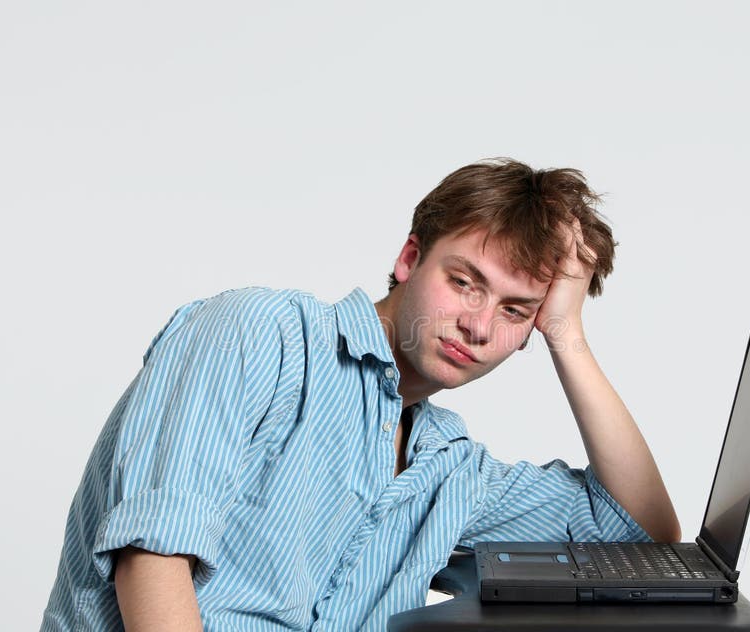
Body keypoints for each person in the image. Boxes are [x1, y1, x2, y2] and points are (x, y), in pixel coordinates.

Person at [40, 158, 680, 631]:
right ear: (409, 258)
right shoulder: (260, 335)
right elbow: (151, 557)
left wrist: (566, 333)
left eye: (517, 312)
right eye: (465, 282)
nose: (480, 326)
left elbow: (642, 533)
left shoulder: (448, 468)